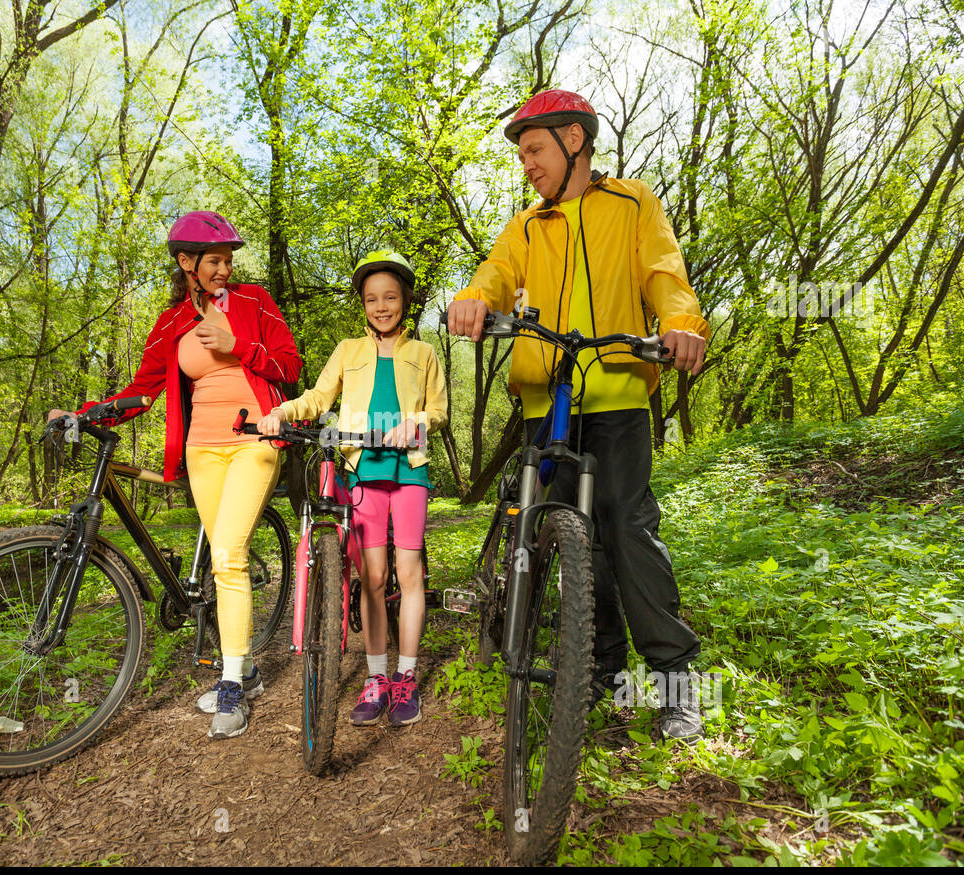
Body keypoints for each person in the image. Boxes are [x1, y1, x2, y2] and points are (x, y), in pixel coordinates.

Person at [446, 90, 710, 741]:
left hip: (617, 393)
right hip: (548, 403)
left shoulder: (632, 202)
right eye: (523, 154)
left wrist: (679, 324)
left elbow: (663, 273)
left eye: (533, 150)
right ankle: (598, 670)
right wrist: (473, 300)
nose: (527, 165)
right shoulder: (529, 226)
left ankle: (676, 680)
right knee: (572, 541)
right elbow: (495, 273)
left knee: (626, 530)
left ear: (573, 140)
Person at [48, 210, 301, 740]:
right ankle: (246, 669)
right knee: (220, 562)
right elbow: (142, 391)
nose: (224, 270)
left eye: (229, 260)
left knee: (229, 554)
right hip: (202, 451)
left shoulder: (254, 302)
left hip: (255, 440)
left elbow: (289, 366)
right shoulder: (170, 324)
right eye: (214, 261)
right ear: (186, 263)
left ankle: (230, 686)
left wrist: (238, 347)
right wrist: (85, 412)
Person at [258, 252, 447, 727]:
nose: (381, 306)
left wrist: (414, 423)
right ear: (362, 305)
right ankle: (376, 677)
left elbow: (441, 411)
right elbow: (320, 398)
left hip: (410, 473)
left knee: (409, 574)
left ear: (405, 300)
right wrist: (283, 412)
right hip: (362, 472)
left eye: (390, 297)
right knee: (374, 578)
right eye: (371, 299)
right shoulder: (348, 351)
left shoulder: (424, 354)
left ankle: (406, 676)